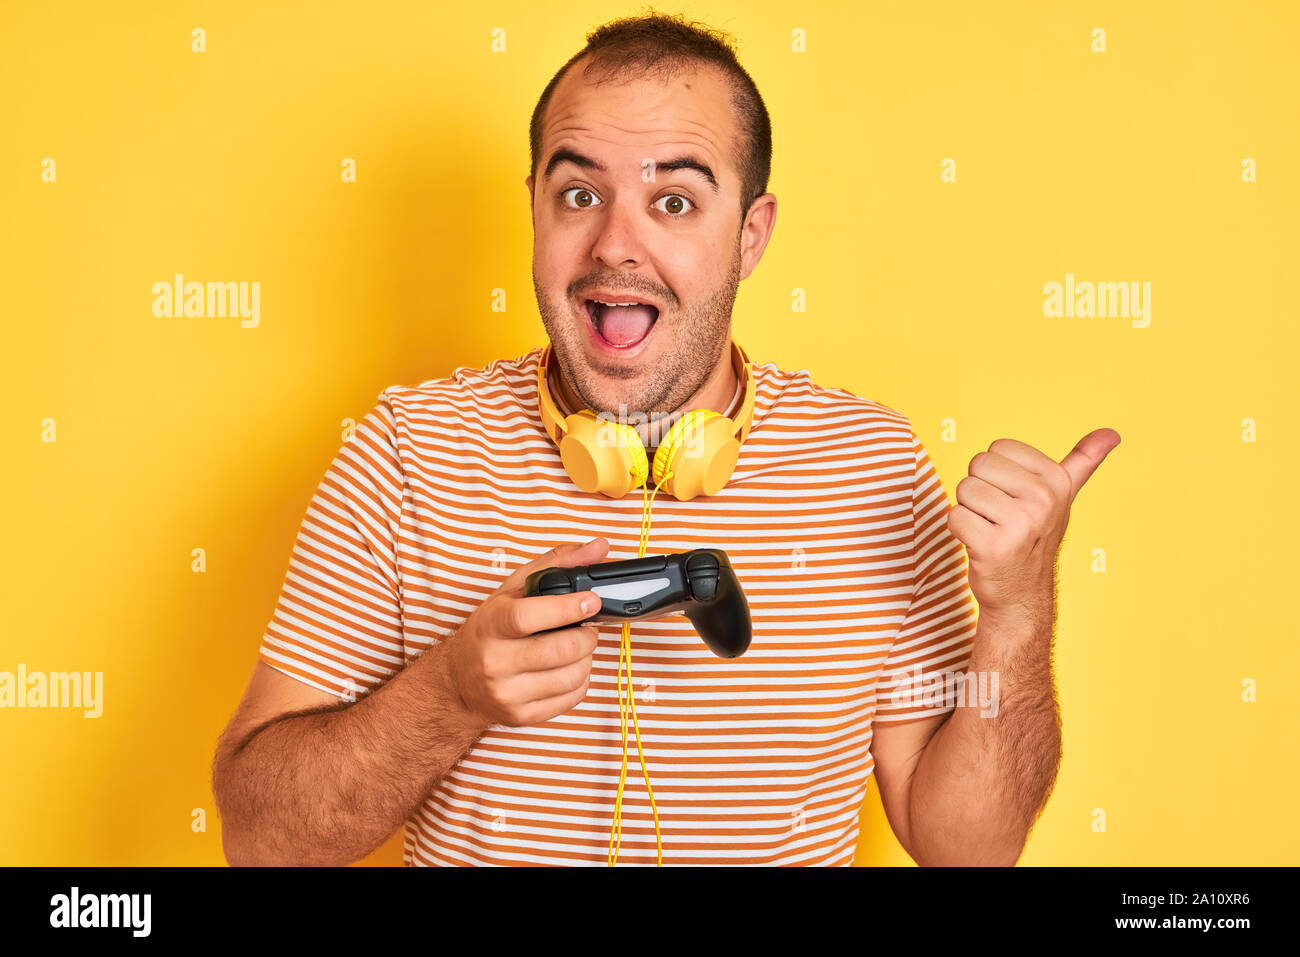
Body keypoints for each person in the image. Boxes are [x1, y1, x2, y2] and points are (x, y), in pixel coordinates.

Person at [211, 12, 1119, 867]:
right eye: (579, 194)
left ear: (751, 235)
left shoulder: (872, 464)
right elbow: (261, 839)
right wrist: (450, 694)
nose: (616, 245)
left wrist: (1019, 609)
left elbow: (969, 846)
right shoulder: (407, 451)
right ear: (534, 210)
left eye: (675, 202)